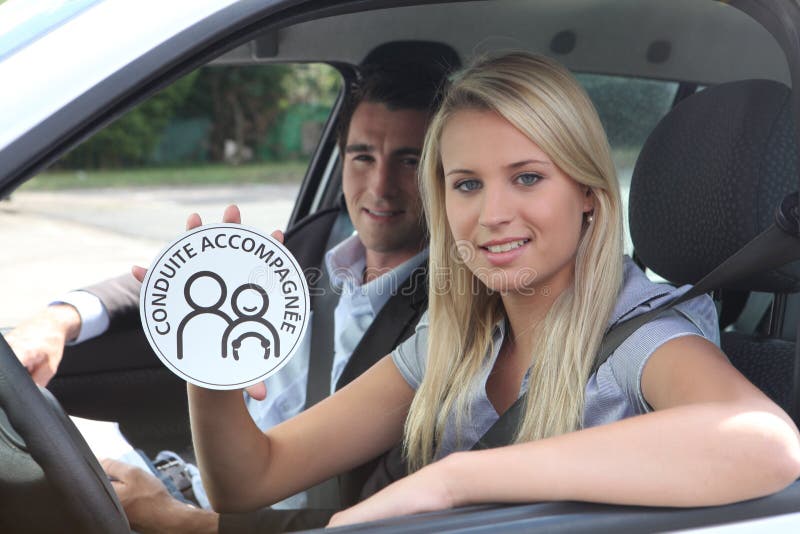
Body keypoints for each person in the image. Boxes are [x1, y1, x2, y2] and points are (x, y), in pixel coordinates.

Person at [175, 51, 800, 528]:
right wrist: (208, 369)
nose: (491, 214)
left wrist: (458, 480)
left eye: (527, 178)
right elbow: (251, 479)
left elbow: (767, 443)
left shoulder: (643, 339)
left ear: (587, 192)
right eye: (467, 184)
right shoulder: (453, 344)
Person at [6, 62, 446, 533]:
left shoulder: (443, 325)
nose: (379, 187)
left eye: (408, 160)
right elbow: (183, 284)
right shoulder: (317, 242)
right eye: (362, 157)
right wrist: (61, 318)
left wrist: (180, 521)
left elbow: (384, 520)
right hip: (195, 484)